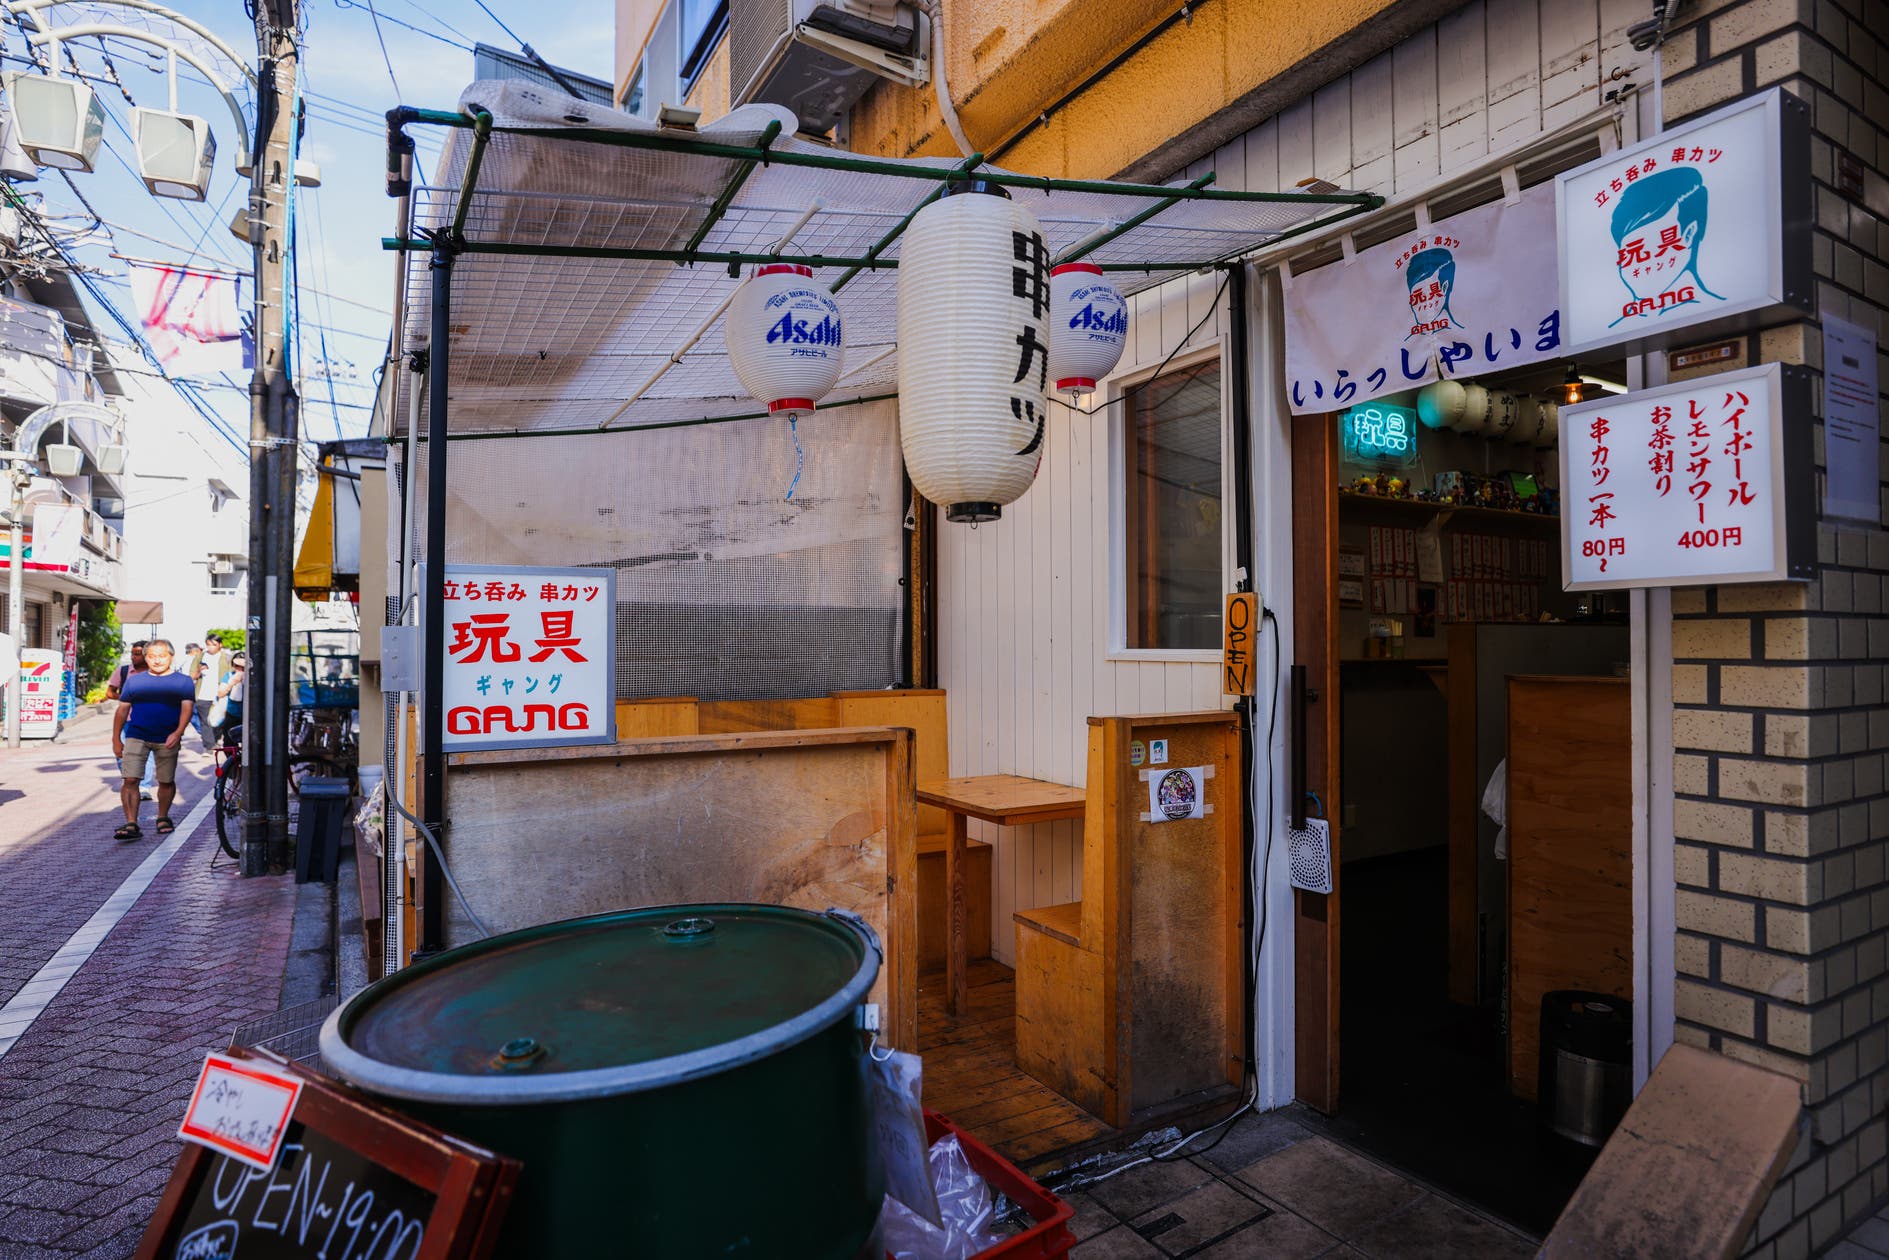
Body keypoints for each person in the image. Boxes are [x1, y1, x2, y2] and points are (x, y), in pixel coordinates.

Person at [110, 639, 194, 841]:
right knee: (130, 779)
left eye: (162, 656)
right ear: (146, 658)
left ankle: (163, 817)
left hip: (167, 737)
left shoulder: (183, 681)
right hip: (136, 735)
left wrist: (178, 732)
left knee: (165, 780)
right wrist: (116, 739)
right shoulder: (134, 681)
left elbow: (187, 708)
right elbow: (122, 710)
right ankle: (131, 822)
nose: (157, 660)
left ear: (171, 657)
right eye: (152, 656)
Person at [106, 641, 157, 800]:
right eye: (132, 653)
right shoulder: (123, 671)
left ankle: (144, 786)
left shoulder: (155, 672)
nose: (134, 657)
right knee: (121, 752)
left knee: (146, 755)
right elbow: (109, 692)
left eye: (137, 654)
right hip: (125, 719)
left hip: (148, 720)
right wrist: (124, 697)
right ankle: (130, 779)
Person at [191, 634, 229, 747]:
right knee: (205, 722)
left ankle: (215, 739)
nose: (210, 647)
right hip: (203, 694)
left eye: (214, 644)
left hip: (220, 694)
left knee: (219, 721)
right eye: (208, 644)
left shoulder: (227, 657)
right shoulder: (199, 657)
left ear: (220, 645)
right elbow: (192, 676)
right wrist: (199, 670)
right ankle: (209, 746)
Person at [214, 651, 246, 745]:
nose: (240, 669)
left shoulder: (252, 676)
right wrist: (231, 683)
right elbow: (220, 693)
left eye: (243, 667)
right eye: (237, 666)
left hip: (248, 714)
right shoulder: (229, 676)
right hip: (232, 713)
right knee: (228, 742)